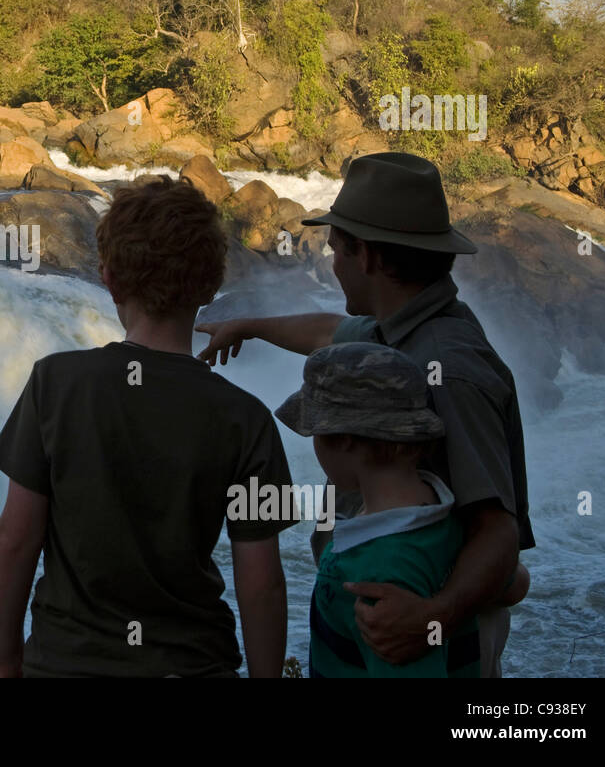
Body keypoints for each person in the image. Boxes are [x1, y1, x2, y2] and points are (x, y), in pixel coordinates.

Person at [197, 152, 533, 677]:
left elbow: (498, 533)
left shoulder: (450, 369)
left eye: (337, 249)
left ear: (369, 257)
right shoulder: (395, 326)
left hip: (430, 624)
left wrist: (430, 618)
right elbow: (330, 334)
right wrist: (249, 326)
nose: (332, 263)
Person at [0, 175, 296, 677]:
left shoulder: (56, 385)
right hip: (194, 665)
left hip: (66, 667)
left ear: (107, 276)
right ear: (213, 285)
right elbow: (262, 584)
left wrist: (7, 661)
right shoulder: (248, 419)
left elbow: (16, 540)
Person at [276, 341, 481, 677]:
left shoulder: (379, 572)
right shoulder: (449, 518)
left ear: (343, 439)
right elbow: (513, 583)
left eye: (314, 431)